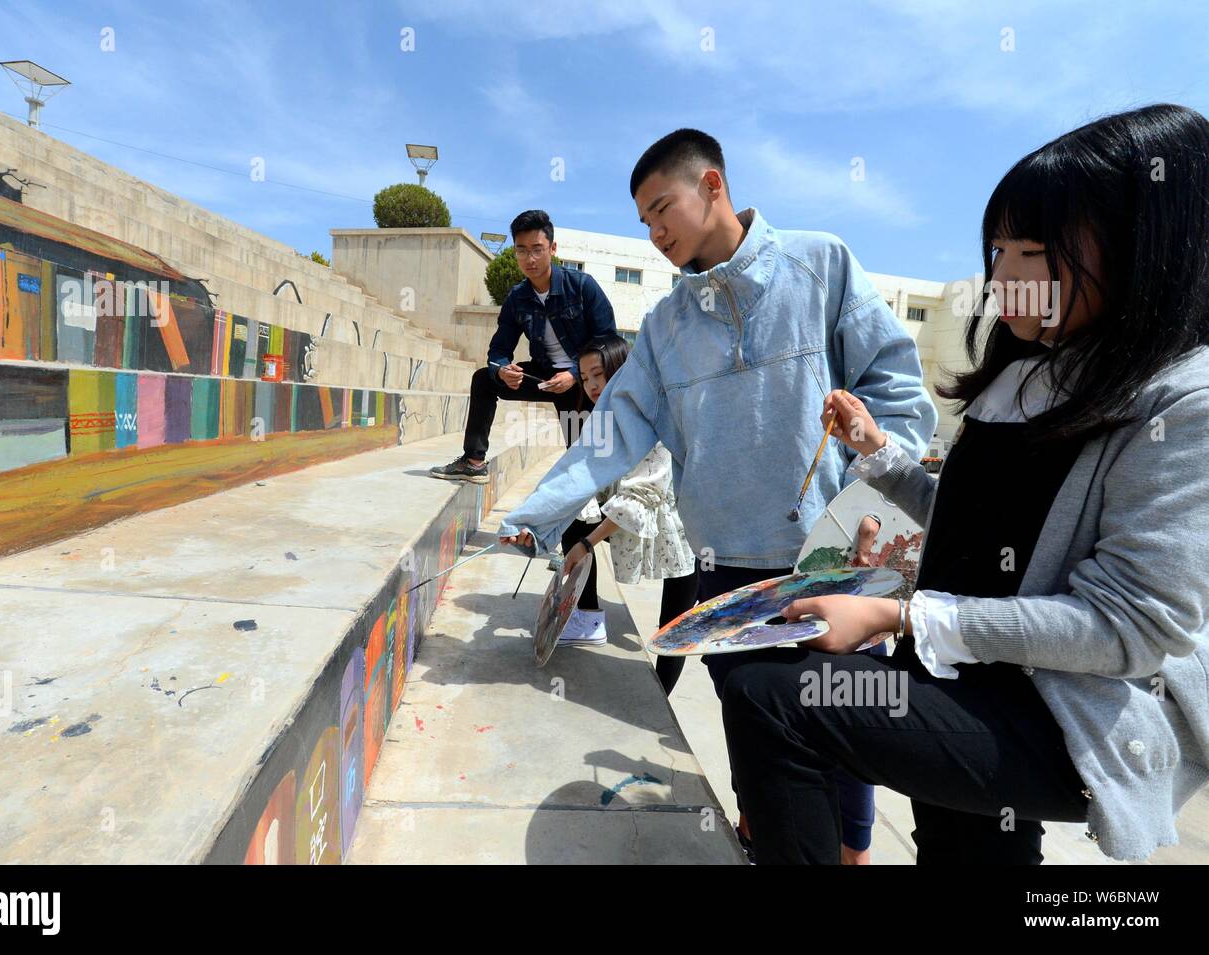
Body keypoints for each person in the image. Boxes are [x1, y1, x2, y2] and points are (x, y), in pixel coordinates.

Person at [720, 104, 1209, 864]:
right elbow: (976, 524)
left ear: (1141, 245)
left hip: (1058, 712)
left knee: (771, 694)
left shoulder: (1182, 399)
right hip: (956, 674)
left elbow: (1131, 626)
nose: (1003, 277)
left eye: (1034, 250)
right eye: (998, 248)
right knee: (959, 844)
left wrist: (901, 617)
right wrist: (877, 452)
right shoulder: (1022, 373)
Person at [498, 129, 937, 862]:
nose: (655, 231)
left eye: (661, 208)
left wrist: (877, 516)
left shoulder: (820, 264)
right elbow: (612, 433)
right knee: (757, 742)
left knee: (839, 737)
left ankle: (853, 852)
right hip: (727, 574)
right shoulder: (667, 327)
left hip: (830, 564)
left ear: (712, 187)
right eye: (643, 221)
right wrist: (535, 515)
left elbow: (900, 398)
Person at [431, 209, 615, 484]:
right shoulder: (518, 297)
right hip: (544, 377)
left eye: (537, 249)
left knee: (586, 464)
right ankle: (474, 462)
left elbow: (608, 341)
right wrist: (502, 370)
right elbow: (498, 350)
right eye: (522, 250)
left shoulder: (581, 286)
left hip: (583, 383)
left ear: (552, 248)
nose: (530, 259)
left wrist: (576, 374)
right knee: (484, 379)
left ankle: (595, 519)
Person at [553, 336, 699, 672]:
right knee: (574, 514)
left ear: (620, 369)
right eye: (584, 377)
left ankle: (660, 705)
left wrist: (587, 544)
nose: (591, 385)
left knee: (672, 633)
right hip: (635, 517)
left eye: (597, 374)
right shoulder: (601, 419)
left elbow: (638, 500)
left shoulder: (655, 419)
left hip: (681, 531)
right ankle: (588, 620)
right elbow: (587, 478)